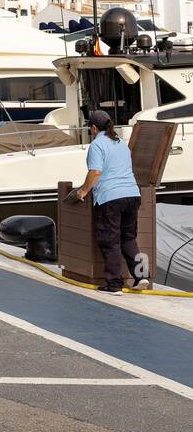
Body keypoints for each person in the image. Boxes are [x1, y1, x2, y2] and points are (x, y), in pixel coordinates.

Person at [75, 109, 150, 294]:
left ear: (93, 128)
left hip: (111, 198)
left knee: (110, 241)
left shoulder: (97, 145)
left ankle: (114, 285)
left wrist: (83, 191)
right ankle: (142, 276)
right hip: (132, 195)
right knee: (129, 238)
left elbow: (95, 172)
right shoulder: (121, 143)